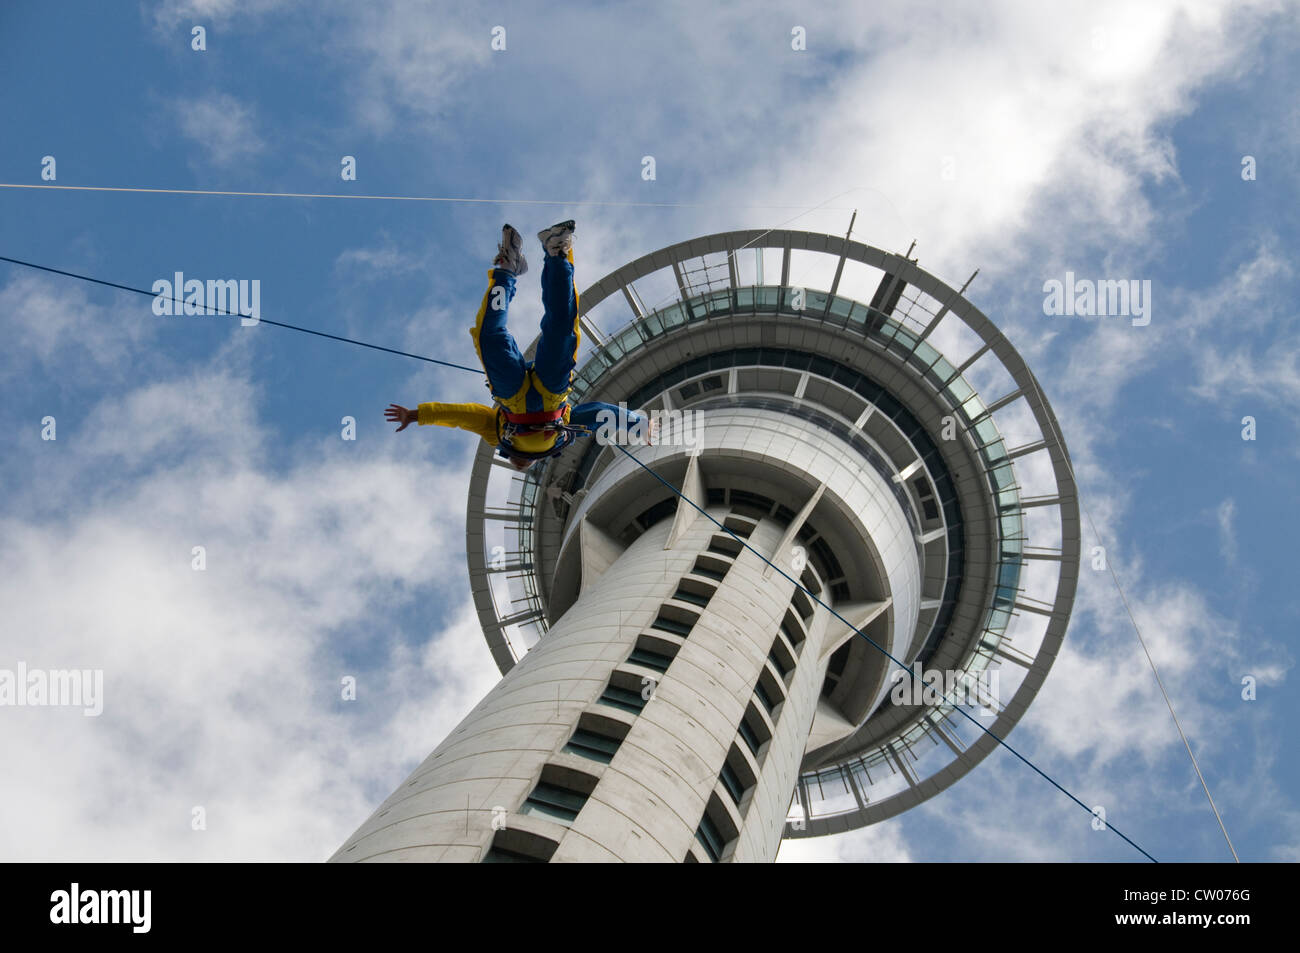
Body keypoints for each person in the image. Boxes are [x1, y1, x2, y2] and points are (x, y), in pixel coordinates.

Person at [386, 221, 653, 469]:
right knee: (561, 329)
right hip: (552, 394)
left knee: (490, 338)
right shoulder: (565, 433)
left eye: (519, 464)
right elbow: (598, 414)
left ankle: (506, 271)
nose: (521, 465)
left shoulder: (497, 435)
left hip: (512, 395)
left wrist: (419, 415)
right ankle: (557, 253)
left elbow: (464, 416)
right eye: (526, 464)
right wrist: (638, 424)